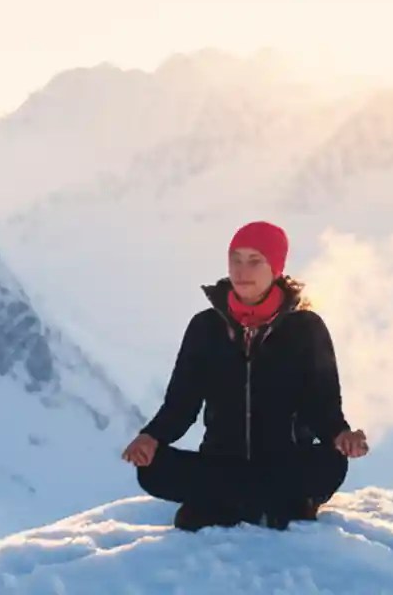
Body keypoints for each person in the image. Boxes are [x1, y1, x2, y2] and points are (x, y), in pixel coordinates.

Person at [121, 220, 369, 531]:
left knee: (331, 463)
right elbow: (181, 404)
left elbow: (322, 404)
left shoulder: (306, 328)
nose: (242, 270)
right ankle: (274, 503)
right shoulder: (205, 327)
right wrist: (151, 437)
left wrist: (341, 436)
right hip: (221, 464)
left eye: (254, 261)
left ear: (275, 268)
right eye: (235, 259)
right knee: (152, 470)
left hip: (286, 464)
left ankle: (220, 504)